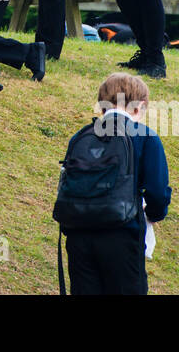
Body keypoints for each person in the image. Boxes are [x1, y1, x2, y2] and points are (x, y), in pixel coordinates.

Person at [61, 72, 171, 295]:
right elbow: (157, 192)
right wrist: (154, 214)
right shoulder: (145, 136)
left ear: (102, 108)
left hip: (79, 234)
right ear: (139, 108)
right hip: (122, 235)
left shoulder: (80, 136)